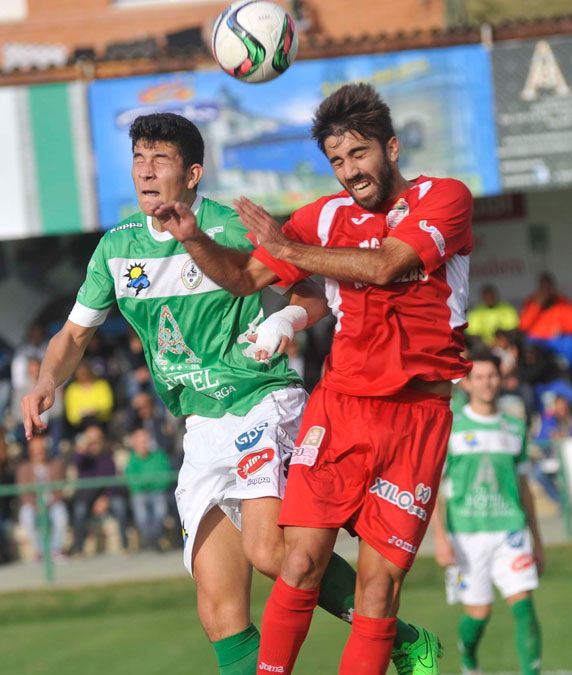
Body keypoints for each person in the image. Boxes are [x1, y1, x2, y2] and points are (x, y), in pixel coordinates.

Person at [22, 111, 437, 675]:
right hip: (201, 428)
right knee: (218, 609)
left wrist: (281, 324)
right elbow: (72, 336)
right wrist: (48, 378)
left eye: (160, 161)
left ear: (192, 174)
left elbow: (317, 298)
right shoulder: (115, 250)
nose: (146, 173)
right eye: (139, 160)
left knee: (269, 552)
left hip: (261, 401)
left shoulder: (233, 226)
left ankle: (402, 638)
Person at [153, 84, 470, 674]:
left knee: (377, 593)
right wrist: (194, 238)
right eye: (337, 161)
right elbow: (246, 278)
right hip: (342, 407)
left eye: (359, 154)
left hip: (417, 417)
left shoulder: (444, 198)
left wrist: (290, 248)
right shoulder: (320, 216)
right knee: (295, 562)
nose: (350, 171)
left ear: (392, 148)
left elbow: (383, 265)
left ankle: (406, 644)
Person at [431, 355, 544, 675]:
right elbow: (437, 489)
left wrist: (537, 540)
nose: (486, 382)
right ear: (466, 383)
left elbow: (524, 488)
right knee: (478, 614)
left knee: (524, 607)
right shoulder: (452, 427)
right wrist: (440, 538)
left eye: (492, 375)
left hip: (510, 530)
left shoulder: (514, 427)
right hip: (466, 533)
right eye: (478, 377)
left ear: (500, 379)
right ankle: (468, 658)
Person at [70, 424, 131, 555]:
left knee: (119, 505)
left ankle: (125, 545)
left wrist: (105, 499)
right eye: (91, 440)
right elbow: (77, 461)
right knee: (79, 511)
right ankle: (78, 549)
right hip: (86, 497)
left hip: (105, 496)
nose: (94, 443)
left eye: (97, 440)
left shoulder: (108, 457)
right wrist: (84, 445)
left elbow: (112, 481)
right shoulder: (83, 457)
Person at [16, 435, 67, 561]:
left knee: (60, 513)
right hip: (34, 505)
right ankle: (40, 551)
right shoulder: (24, 468)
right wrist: (38, 506)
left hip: (52, 503)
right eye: (35, 450)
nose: (38, 453)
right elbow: (24, 494)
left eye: (41, 449)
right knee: (26, 514)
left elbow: (61, 489)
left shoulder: (56, 464)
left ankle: (56, 550)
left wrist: (48, 504)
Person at [123, 427, 174, 552]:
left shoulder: (159, 456)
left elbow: (164, 478)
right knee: (141, 516)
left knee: (160, 512)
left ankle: (154, 539)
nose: (143, 444)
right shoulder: (131, 460)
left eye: (145, 440)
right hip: (140, 494)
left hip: (157, 492)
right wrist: (151, 481)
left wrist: (146, 482)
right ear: (134, 443)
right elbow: (132, 482)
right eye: (140, 441)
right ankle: (156, 539)